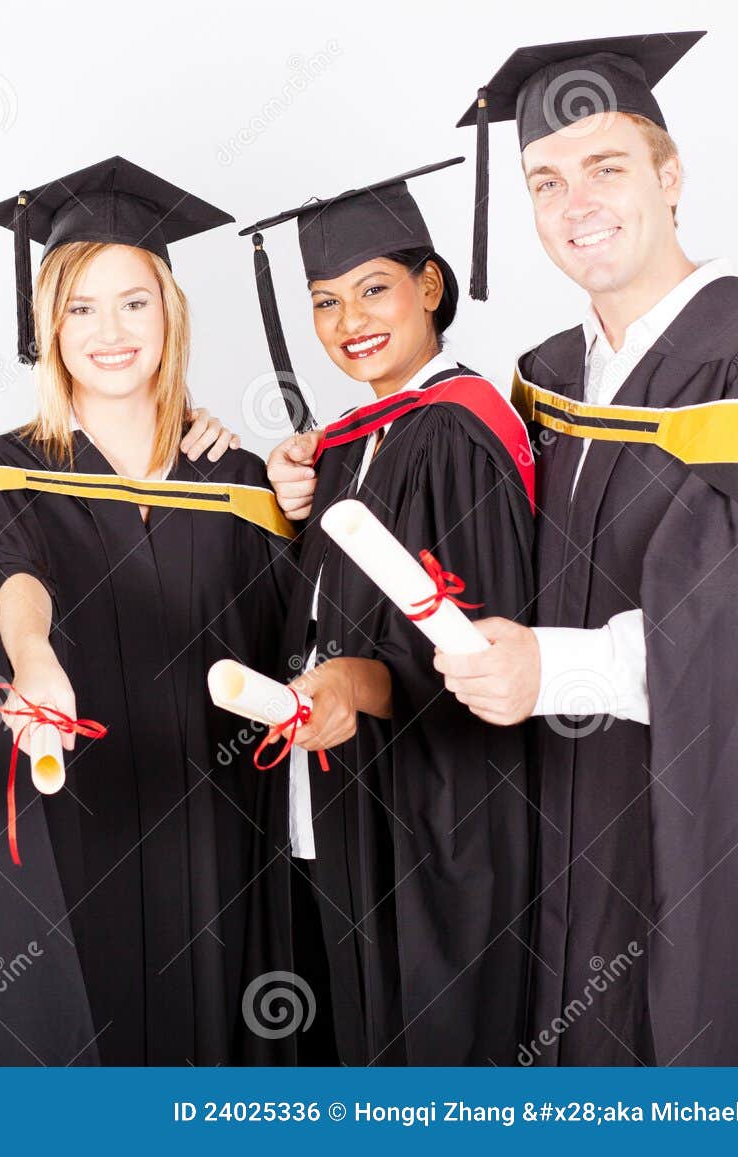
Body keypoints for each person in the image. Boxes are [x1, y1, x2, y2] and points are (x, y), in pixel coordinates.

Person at [435, 31, 738, 1064]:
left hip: (706, 811)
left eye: (605, 167)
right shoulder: (542, 378)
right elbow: (472, 537)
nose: (573, 202)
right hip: (554, 814)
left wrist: (555, 665)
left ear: (669, 176)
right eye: (544, 180)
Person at [0, 156, 289, 1065]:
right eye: (81, 308)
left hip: (214, 830)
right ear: (48, 326)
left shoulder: (239, 482)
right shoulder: (6, 467)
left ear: (169, 313)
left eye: (134, 302)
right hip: (73, 828)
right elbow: (6, 573)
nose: (110, 331)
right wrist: (32, 652)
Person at [244, 159, 535, 1064]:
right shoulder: (353, 439)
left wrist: (348, 685)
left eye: (373, 290)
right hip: (342, 801)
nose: (349, 323)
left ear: (431, 286)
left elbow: (480, 644)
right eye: (325, 302)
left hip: (439, 812)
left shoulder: (454, 428)